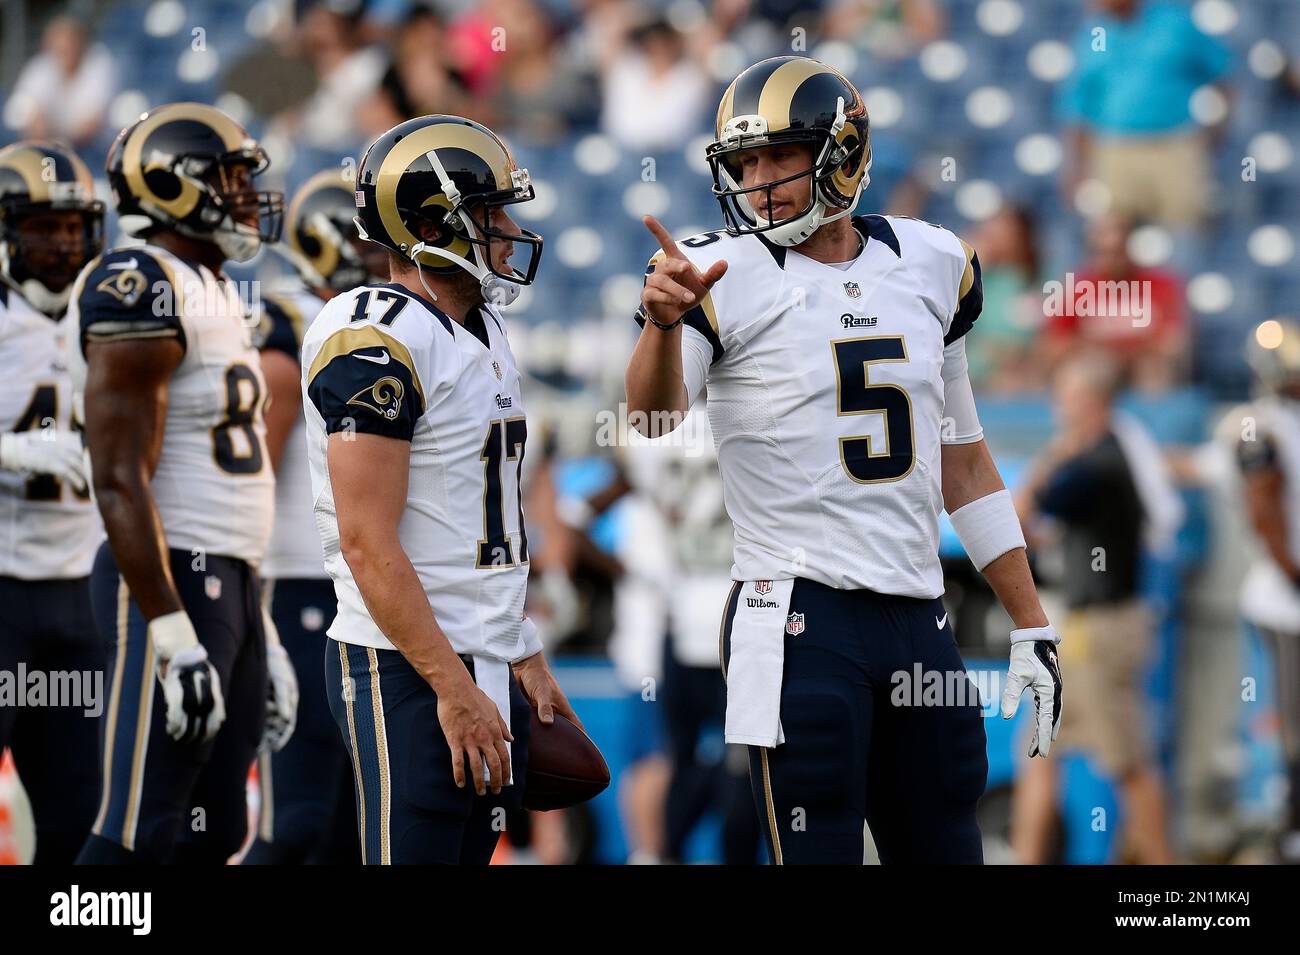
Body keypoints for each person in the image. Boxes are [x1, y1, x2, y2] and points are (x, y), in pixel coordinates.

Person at [624, 56, 1063, 865]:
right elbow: (652, 419)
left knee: (946, 843)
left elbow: (963, 461)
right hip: (798, 617)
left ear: (842, 154)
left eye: (778, 157)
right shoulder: (715, 272)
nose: (757, 181)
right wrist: (659, 323)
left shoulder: (931, 261)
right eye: (743, 163)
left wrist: (1032, 621)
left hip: (918, 612)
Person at [301, 115, 578, 864]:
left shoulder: (481, 327)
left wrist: (520, 649)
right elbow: (366, 538)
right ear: (429, 223)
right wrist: (452, 687)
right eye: (490, 213)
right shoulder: (373, 331)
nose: (509, 229)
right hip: (404, 664)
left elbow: (475, 524)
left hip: (472, 655)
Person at [67, 103, 294, 864]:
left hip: (229, 577)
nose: (244, 195)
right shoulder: (138, 280)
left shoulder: (216, 288)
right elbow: (120, 475)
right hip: (167, 579)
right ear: (174, 185)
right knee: (137, 826)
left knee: (217, 829)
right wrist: (171, 632)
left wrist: (259, 627)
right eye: (229, 178)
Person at [243, 169, 386, 864]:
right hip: (298, 580)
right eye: (362, 241)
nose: (377, 254)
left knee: (349, 825)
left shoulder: (389, 319)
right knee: (296, 817)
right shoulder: (289, 321)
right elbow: (253, 470)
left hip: (366, 586)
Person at [1012, 351, 1175, 864]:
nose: (1060, 409)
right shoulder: (1104, 459)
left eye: (1067, 399)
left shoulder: (1099, 461)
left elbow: (1025, 508)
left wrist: (1056, 453)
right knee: (1039, 752)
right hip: (1082, 629)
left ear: (1092, 403)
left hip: (1101, 631)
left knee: (1127, 761)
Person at [0, 140, 105, 863]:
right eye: (44, 227)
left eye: (73, 227)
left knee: (78, 824)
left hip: (81, 597)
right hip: (3, 591)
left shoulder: (108, 314)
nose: (63, 244)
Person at [1058, 0, 1232, 228]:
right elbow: (1079, 105)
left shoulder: (1174, 24)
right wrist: (1076, 167)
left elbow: (1221, 73)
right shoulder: (1095, 35)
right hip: (1114, 148)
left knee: (1183, 227)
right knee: (1114, 232)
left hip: (1175, 145)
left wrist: (1216, 130)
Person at [1232, 320, 1300, 863]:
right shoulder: (1263, 428)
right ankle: (1289, 828)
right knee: (1293, 722)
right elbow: (1265, 514)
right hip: (1286, 599)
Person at [5, 16, 118, 149]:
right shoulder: (41, 67)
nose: (65, 51)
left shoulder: (99, 62)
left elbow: (93, 123)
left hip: (92, 148)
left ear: (81, 44)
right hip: (53, 145)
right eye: (59, 47)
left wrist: (62, 143)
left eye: (69, 44)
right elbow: (33, 116)